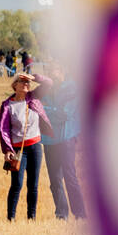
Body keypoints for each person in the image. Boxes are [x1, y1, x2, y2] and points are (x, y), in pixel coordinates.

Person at [0, 72, 54, 221]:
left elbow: (49, 82)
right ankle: (11, 218)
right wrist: (8, 150)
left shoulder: (33, 97)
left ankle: (32, 217)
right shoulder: (7, 105)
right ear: (14, 85)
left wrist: (35, 77)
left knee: (33, 185)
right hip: (18, 149)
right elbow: (3, 129)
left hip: (35, 146)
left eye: (27, 82)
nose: (26, 84)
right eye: (22, 82)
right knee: (16, 184)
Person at [38, 64, 87, 220]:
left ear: (62, 71)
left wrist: (47, 109)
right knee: (54, 179)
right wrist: (49, 110)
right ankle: (61, 214)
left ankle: (80, 213)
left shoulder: (72, 89)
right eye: (49, 72)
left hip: (66, 137)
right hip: (49, 139)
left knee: (70, 176)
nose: (53, 74)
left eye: (55, 70)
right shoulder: (43, 89)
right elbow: (36, 110)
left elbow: (65, 114)